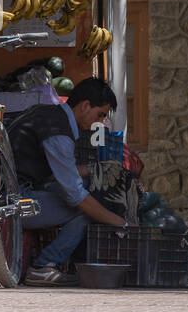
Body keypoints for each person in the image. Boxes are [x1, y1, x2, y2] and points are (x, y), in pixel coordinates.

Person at [7, 77, 126, 286]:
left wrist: (94, 170)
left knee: (87, 197)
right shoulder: (58, 132)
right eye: (100, 114)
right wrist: (122, 223)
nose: (99, 121)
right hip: (15, 203)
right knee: (87, 208)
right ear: (85, 106)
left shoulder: (48, 115)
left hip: (16, 192)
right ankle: (44, 266)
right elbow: (76, 196)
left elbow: (59, 172)